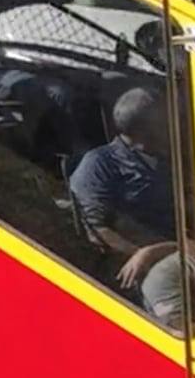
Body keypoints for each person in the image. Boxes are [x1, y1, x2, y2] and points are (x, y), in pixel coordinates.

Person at [70, 86, 178, 260]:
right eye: (163, 119)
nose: (172, 123)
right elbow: (96, 228)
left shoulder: (168, 156)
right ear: (142, 128)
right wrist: (141, 256)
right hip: (142, 260)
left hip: (181, 248)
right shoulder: (98, 164)